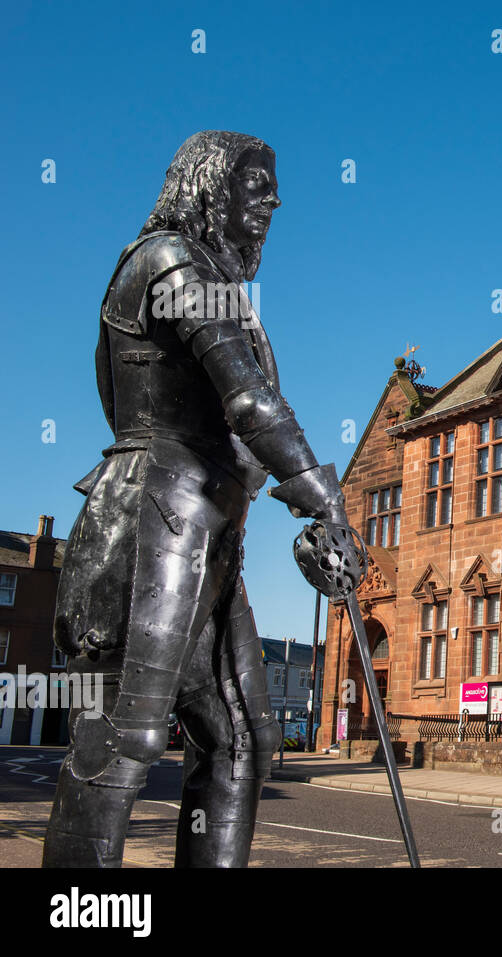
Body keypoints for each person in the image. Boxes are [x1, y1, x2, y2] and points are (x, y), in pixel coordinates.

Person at [43, 131, 363, 868]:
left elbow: (246, 428)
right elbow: (248, 402)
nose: (272, 204)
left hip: (208, 539)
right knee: (118, 744)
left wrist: (299, 505)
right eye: (258, 188)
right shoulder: (167, 260)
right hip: (145, 530)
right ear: (210, 187)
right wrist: (325, 499)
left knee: (241, 738)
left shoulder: (224, 287)